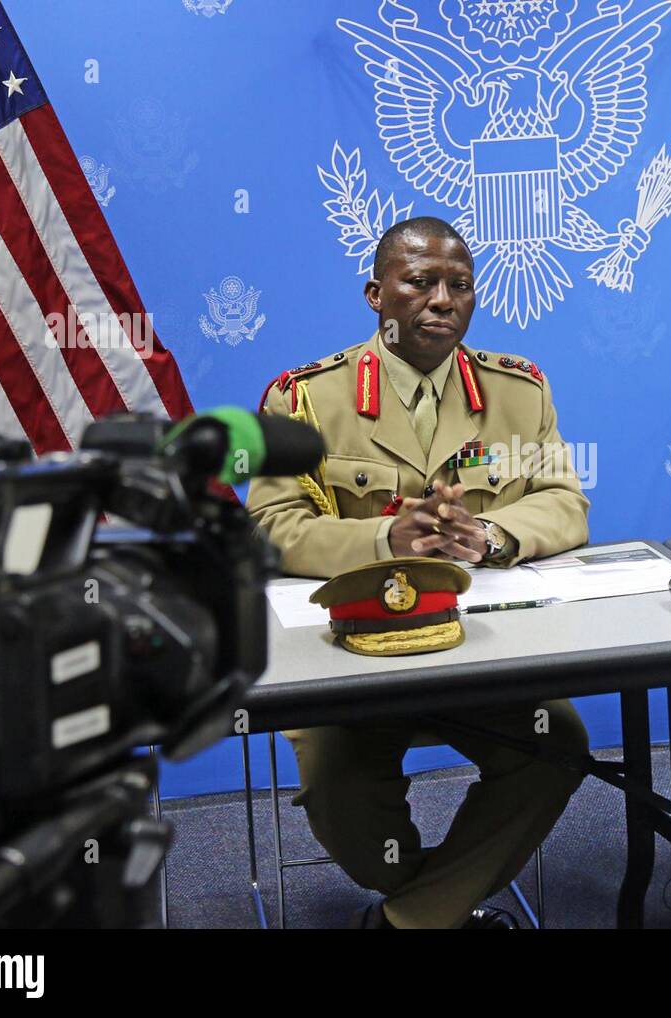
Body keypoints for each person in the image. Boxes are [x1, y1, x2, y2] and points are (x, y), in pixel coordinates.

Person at [247, 217, 590, 929]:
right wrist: (382, 538)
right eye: (420, 282)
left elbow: (565, 502)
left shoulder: (519, 391)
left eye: (459, 285)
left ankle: (409, 922)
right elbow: (271, 527)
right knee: (348, 802)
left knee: (557, 744)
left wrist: (491, 534)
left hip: (480, 657)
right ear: (377, 293)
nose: (443, 299)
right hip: (351, 659)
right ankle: (427, 901)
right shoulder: (306, 400)